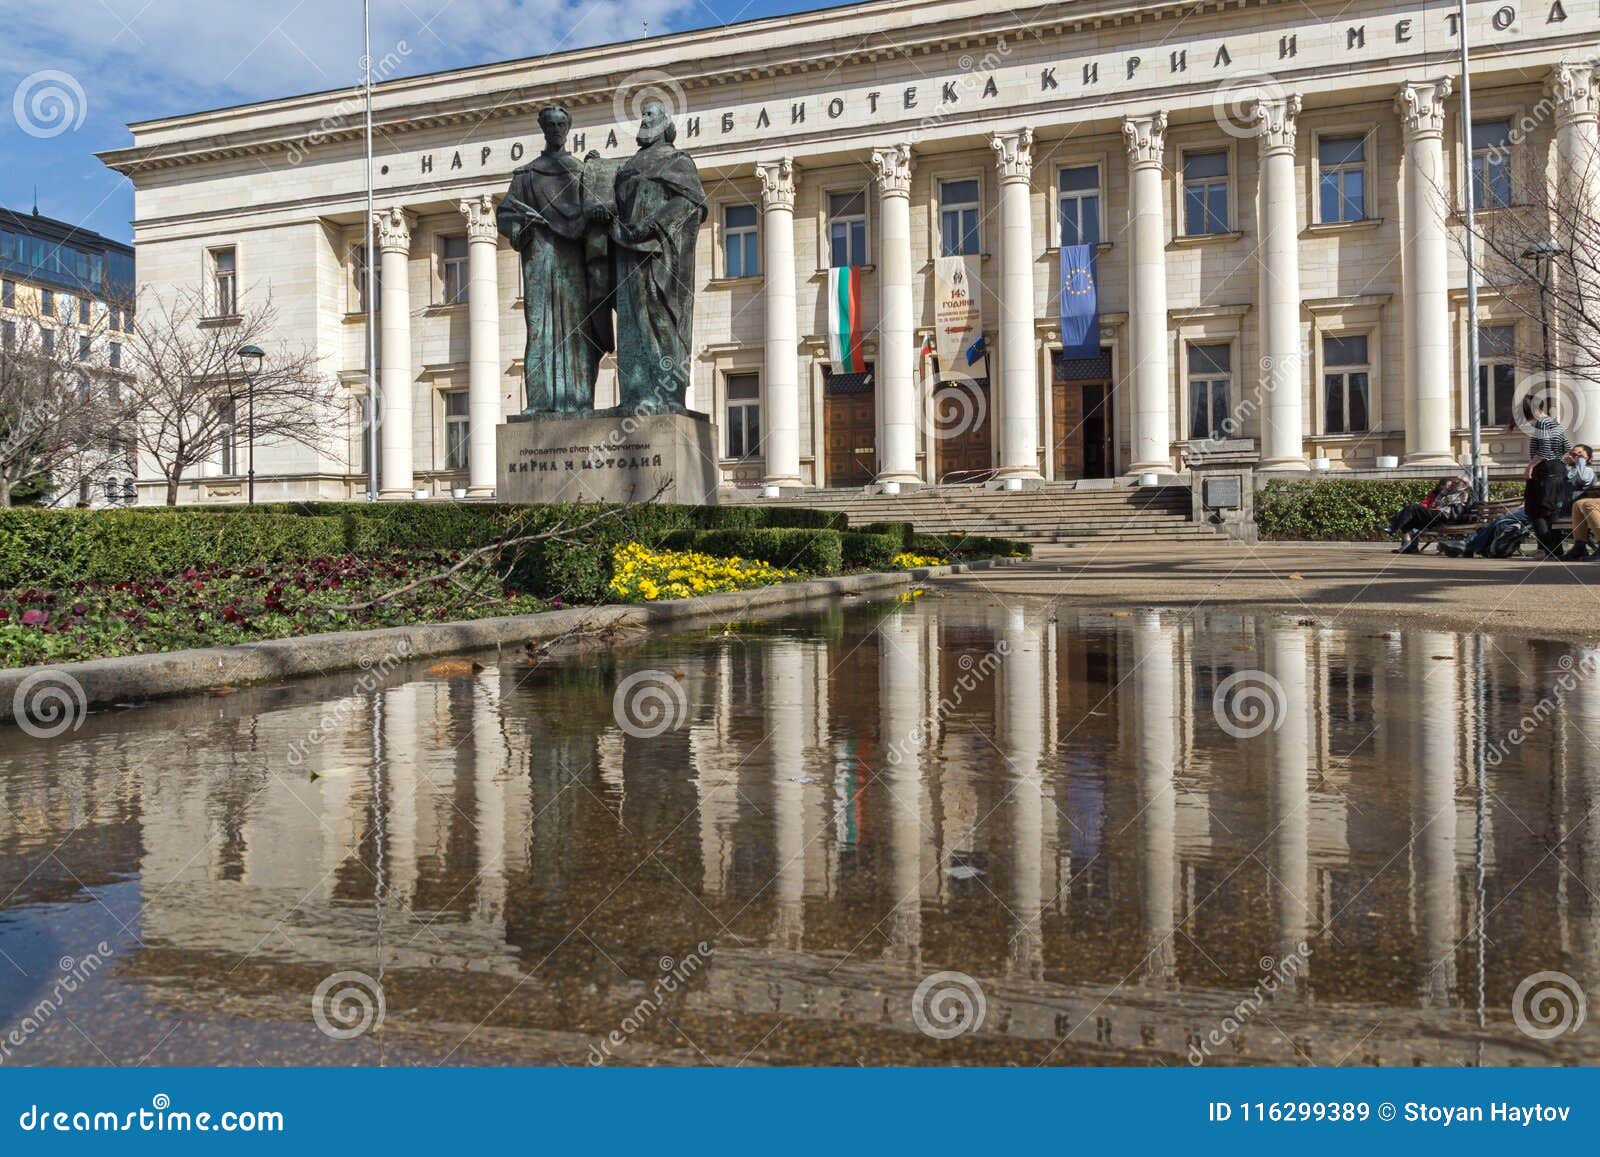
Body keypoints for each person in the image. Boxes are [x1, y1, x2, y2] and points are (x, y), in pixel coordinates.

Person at [1524, 400, 1572, 558]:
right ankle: (1555, 550)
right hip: (1558, 469)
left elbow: (1544, 449)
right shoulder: (1555, 422)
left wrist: (1530, 466)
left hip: (1544, 470)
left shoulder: (1542, 423)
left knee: (1536, 510)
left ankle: (1549, 549)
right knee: (1550, 511)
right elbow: (1567, 445)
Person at [1384, 474, 1473, 553]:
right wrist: (1444, 492)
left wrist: (1445, 495)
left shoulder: (1464, 493)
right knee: (1410, 520)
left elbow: (1447, 501)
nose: (1455, 482)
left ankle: (1392, 527)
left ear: (1464, 483)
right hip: (1438, 515)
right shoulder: (1454, 490)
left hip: (1446, 516)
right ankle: (1407, 546)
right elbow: (1437, 501)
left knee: (1413, 507)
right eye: (1455, 480)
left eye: (1458, 480)